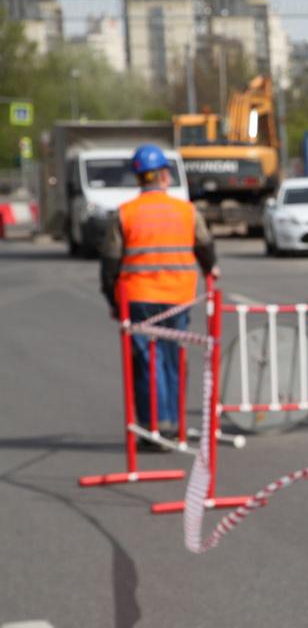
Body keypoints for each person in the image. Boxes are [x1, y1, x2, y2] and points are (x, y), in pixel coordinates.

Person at [100, 144, 218, 444]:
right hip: (178, 297)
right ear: (164, 176)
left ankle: (154, 429)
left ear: (139, 178)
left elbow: (110, 262)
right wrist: (210, 269)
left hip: (138, 298)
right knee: (173, 358)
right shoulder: (186, 211)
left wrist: (113, 301)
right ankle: (176, 425)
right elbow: (205, 247)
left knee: (145, 361)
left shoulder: (126, 214)